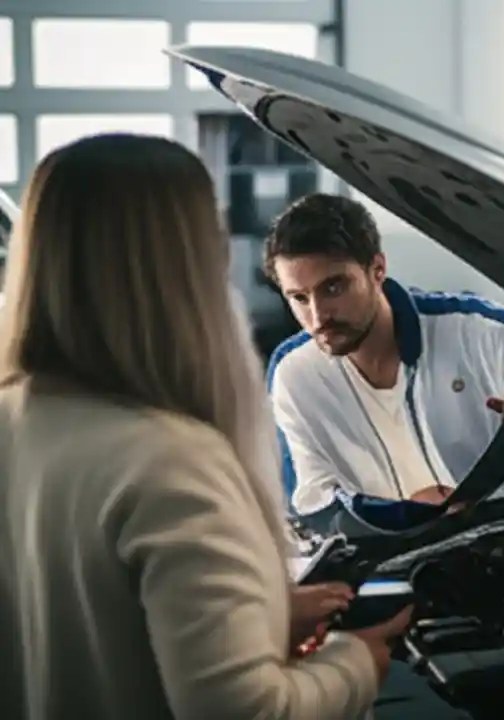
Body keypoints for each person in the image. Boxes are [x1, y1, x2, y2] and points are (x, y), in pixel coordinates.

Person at [0, 134, 409, 720]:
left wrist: (260, 615)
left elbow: (79, 625)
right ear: (183, 269)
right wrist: (356, 661)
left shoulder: (15, 417)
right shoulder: (168, 459)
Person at [264, 193, 504, 515]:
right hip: (397, 569)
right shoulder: (293, 374)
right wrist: (408, 513)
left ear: (377, 270)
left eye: (334, 287)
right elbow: (311, 505)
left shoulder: (477, 330)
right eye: (299, 298)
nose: (318, 315)